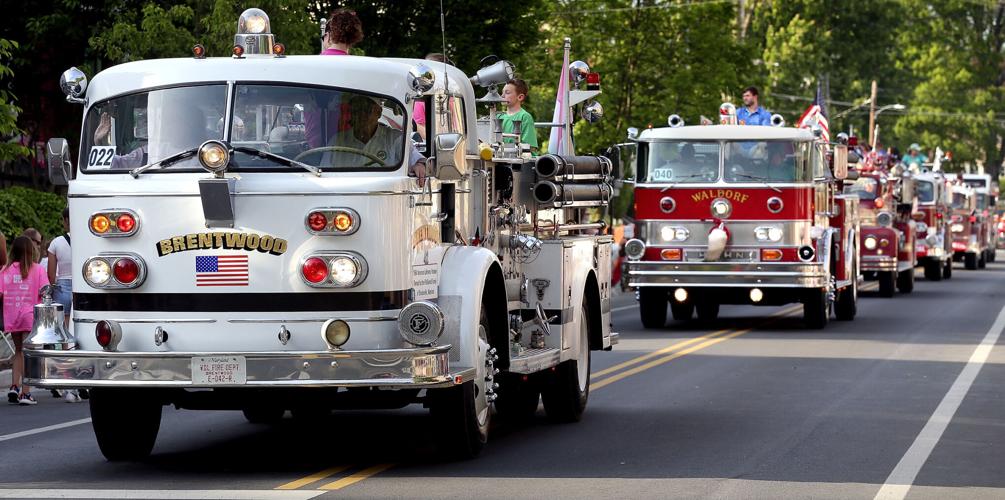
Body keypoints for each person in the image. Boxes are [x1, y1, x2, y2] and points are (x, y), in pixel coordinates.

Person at [326, 95, 426, 186]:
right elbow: (323, 173)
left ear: (378, 113)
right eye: (356, 110)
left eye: (366, 110)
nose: (361, 115)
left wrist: (420, 165)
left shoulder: (395, 139)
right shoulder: (337, 140)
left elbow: (418, 160)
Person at [306, 8, 364, 148]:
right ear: (352, 39)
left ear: (329, 36)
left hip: (316, 147)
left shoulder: (309, 67)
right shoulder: (360, 68)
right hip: (350, 148)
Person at [3, 236, 50, 405]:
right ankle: (26, 393)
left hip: (12, 314)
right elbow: (45, 292)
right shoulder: (37, 269)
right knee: (27, 353)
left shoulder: (5, 271)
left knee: (17, 351)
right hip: (30, 315)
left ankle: (14, 386)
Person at [413, 53, 448, 142]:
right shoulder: (422, 96)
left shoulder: (453, 95)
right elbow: (419, 125)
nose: (425, 73)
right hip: (429, 144)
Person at [498, 78, 538, 151]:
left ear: (520, 97)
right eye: (502, 92)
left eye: (507, 92)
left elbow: (531, 147)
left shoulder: (525, 117)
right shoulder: (499, 116)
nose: (502, 96)